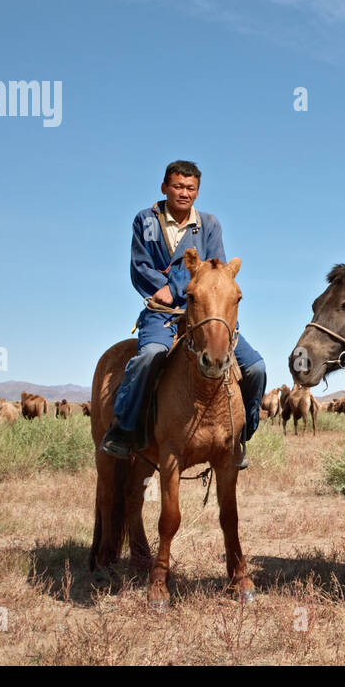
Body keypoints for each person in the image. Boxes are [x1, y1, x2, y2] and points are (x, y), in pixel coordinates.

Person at [100, 160, 266, 467]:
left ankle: (241, 435)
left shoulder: (210, 224)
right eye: (177, 186)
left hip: (206, 310)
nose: (183, 193)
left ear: (198, 192)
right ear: (164, 188)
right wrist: (163, 290)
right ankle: (124, 428)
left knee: (256, 366)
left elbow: (217, 269)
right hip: (161, 311)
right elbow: (139, 266)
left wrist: (175, 285)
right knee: (150, 354)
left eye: (190, 188)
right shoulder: (145, 221)